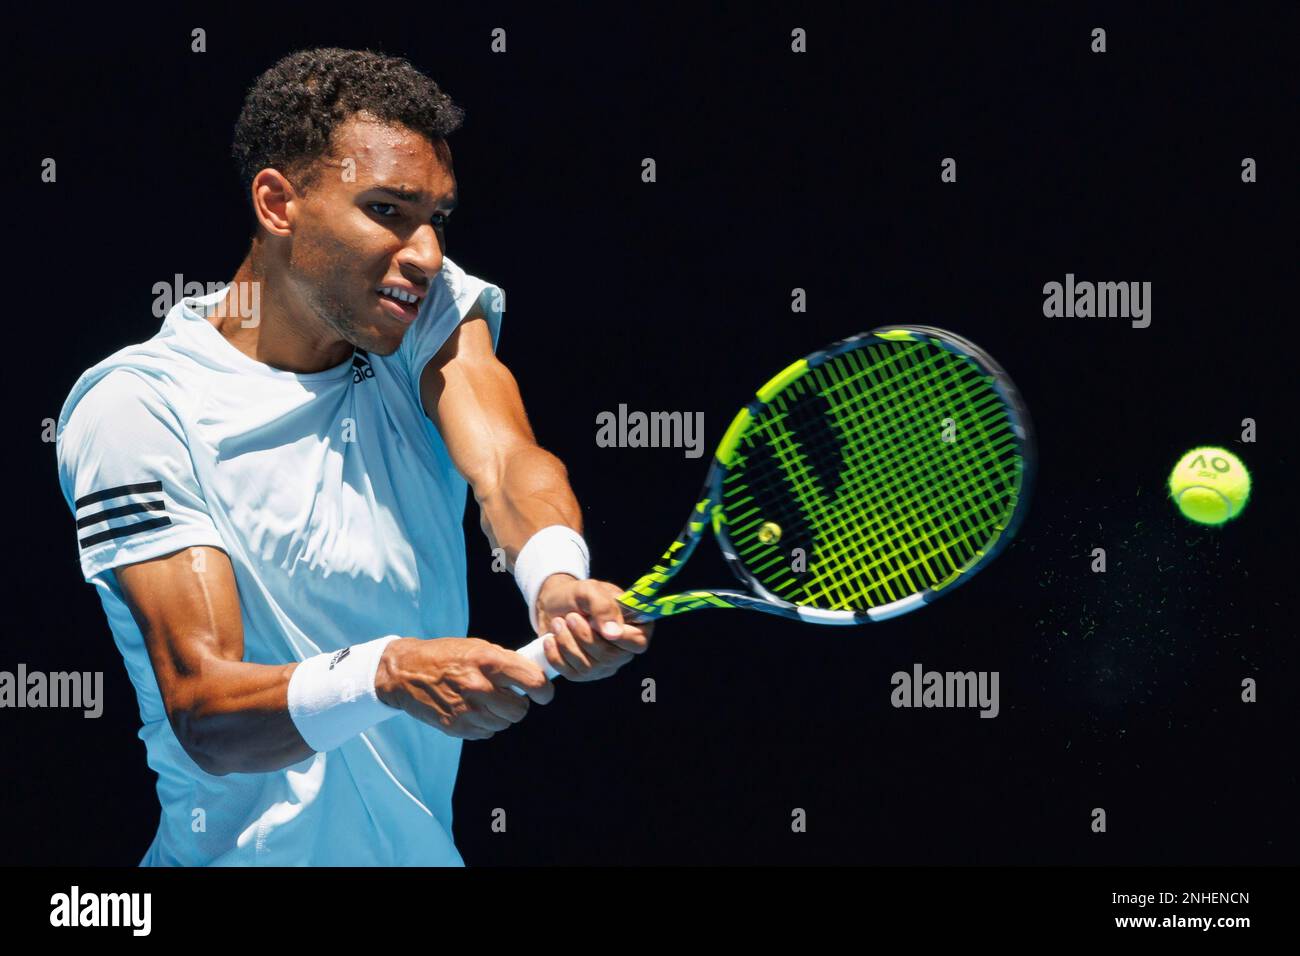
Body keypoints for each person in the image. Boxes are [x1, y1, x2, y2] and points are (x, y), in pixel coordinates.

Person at [54, 47, 652, 866]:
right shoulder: (140, 406)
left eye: (436, 216)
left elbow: (510, 462)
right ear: (278, 202)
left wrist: (553, 575)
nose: (426, 253)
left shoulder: (419, 318)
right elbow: (206, 709)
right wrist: (387, 672)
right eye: (387, 210)